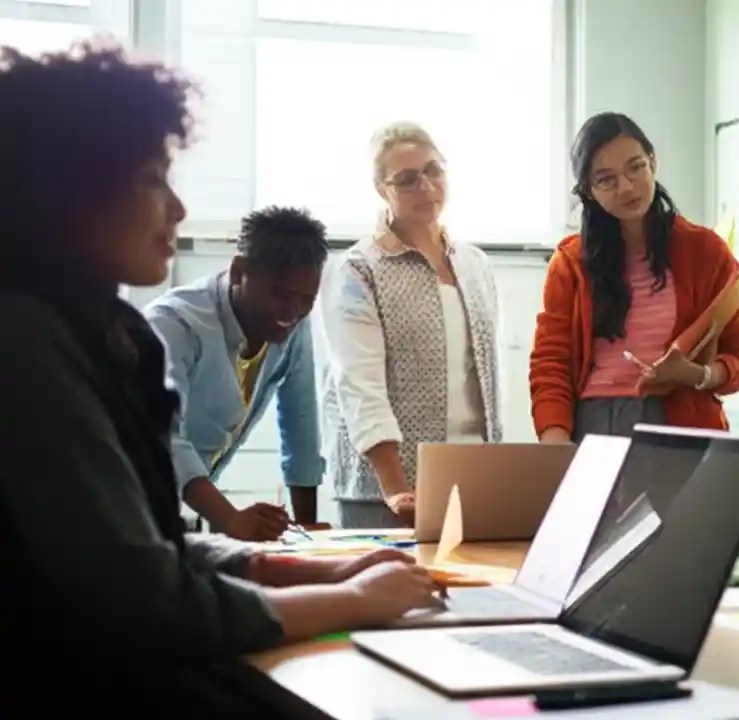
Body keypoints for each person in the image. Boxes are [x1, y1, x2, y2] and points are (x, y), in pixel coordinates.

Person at [0, 40, 442, 715]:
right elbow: (150, 599)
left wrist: (308, 565)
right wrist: (349, 600)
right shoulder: (26, 342)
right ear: (67, 191)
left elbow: (154, 548)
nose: (178, 209)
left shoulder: (100, 328)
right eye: (153, 179)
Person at [530, 112, 739, 442]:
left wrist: (698, 374)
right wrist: (555, 443)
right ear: (588, 191)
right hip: (595, 423)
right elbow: (551, 363)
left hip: (682, 423)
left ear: (653, 161)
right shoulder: (570, 263)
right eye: (606, 180)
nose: (626, 187)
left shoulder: (706, 252)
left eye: (635, 167)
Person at [321, 121, 503, 529]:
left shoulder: (475, 264)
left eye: (434, 170)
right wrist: (395, 487)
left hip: (469, 477)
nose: (426, 186)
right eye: (406, 179)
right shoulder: (359, 269)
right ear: (380, 189)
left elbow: (486, 382)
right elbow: (359, 383)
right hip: (384, 491)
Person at [146, 206, 327, 540]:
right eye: (282, 295)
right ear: (238, 272)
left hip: (178, 503)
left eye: (307, 300)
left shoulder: (293, 326)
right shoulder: (174, 324)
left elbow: (300, 421)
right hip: (125, 496)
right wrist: (230, 519)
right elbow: (163, 435)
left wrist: (310, 533)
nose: (293, 312)